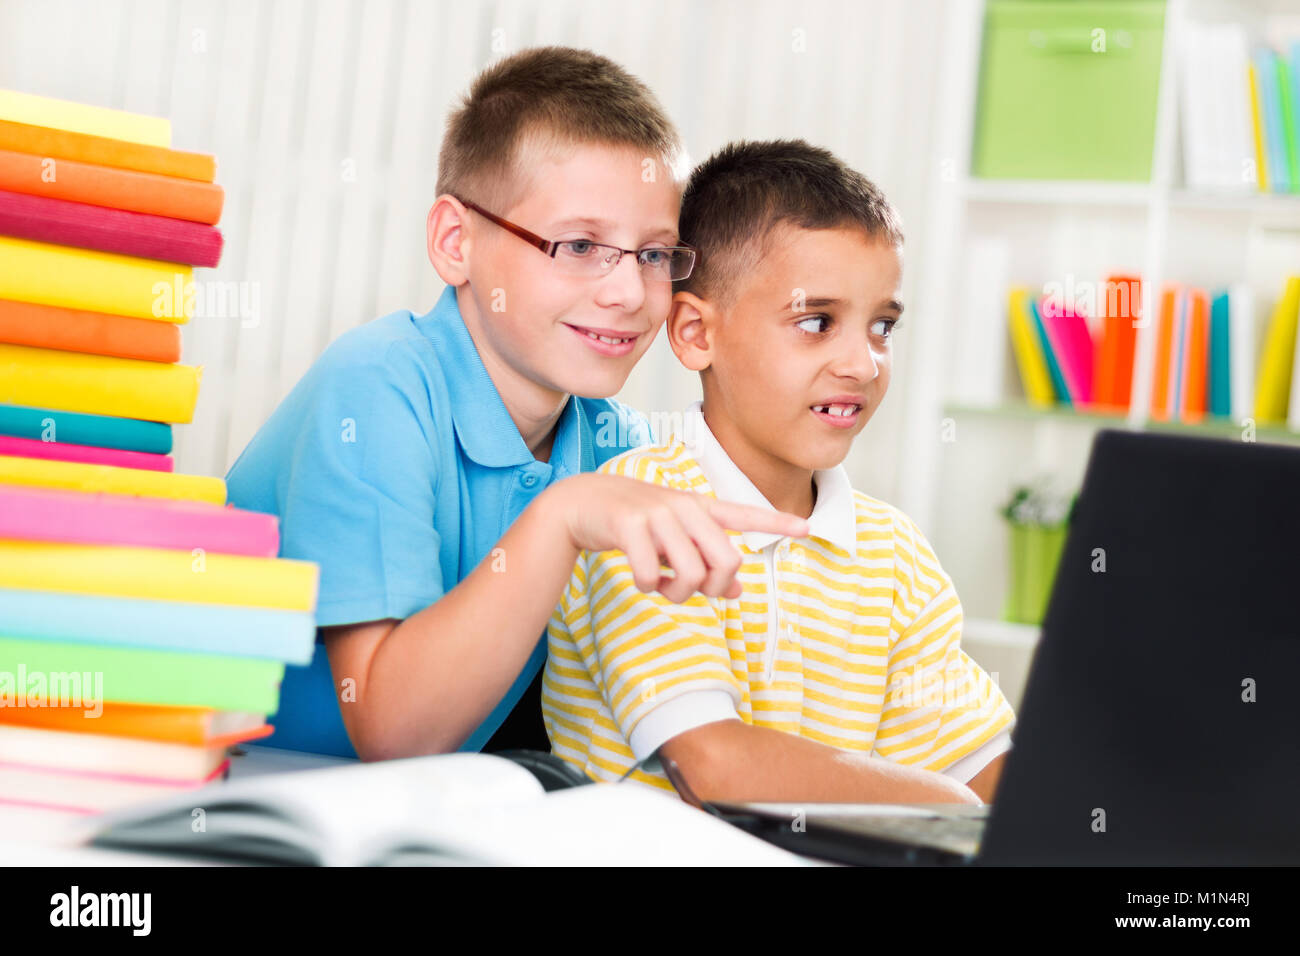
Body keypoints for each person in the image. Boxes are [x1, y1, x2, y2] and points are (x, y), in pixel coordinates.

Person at [225, 49, 808, 760]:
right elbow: (391, 732)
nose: (628, 293)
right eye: (581, 244)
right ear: (455, 242)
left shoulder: (615, 446)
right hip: (234, 803)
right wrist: (562, 517)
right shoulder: (377, 387)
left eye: (654, 254)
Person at [542, 140, 1015, 803]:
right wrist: (951, 806)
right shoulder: (637, 513)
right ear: (696, 334)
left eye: (882, 327)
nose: (863, 363)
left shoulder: (896, 559)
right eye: (817, 322)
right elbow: (715, 766)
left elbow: (982, 770)